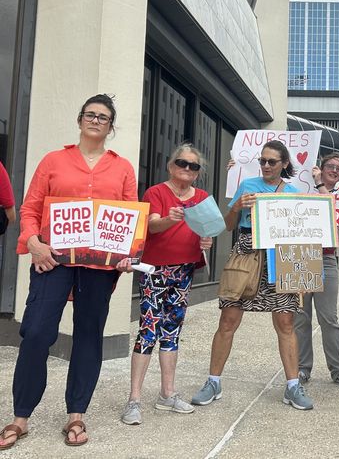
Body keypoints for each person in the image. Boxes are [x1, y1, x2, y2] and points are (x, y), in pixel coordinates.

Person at [0, 94, 136, 449]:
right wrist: (33, 242)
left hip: (98, 268)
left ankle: (76, 414)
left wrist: (126, 254)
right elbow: (28, 210)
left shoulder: (122, 168)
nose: (95, 120)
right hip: (52, 259)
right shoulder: (53, 161)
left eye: (103, 117)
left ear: (110, 126)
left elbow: (130, 223)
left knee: (89, 337)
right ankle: (20, 417)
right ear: (79, 120)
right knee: (36, 334)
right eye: (90, 114)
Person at [191, 140, 313, 411]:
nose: (266, 166)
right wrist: (237, 207)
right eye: (262, 161)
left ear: (284, 164)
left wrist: (302, 273)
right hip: (247, 251)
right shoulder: (246, 187)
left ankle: (293, 386)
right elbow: (227, 226)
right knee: (228, 318)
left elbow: (302, 234)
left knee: (285, 323)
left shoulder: (293, 193)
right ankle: (213, 381)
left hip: (280, 255)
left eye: (272, 161)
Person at [120, 144, 213, 425]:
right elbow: (151, 225)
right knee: (148, 330)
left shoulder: (202, 198)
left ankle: (167, 393)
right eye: (182, 163)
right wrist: (167, 220)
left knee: (172, 332)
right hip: (155, 271)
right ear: (171, 166)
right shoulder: (156, 192)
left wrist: (206, 242)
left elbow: (207, 230)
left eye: (193, 166)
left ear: (198, 173)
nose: (187, 169)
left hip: (184, 271)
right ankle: (134, 399)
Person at [294, 152, 339, 388]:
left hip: (327, 257)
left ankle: (338, 369)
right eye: (331, 166)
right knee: (301, 317)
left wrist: (320, 184)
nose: (335, 171)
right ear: (321, 167)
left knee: (329, 318)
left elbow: (332, 211)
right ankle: (301, 368)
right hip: (300, 255)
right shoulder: (302, 187)